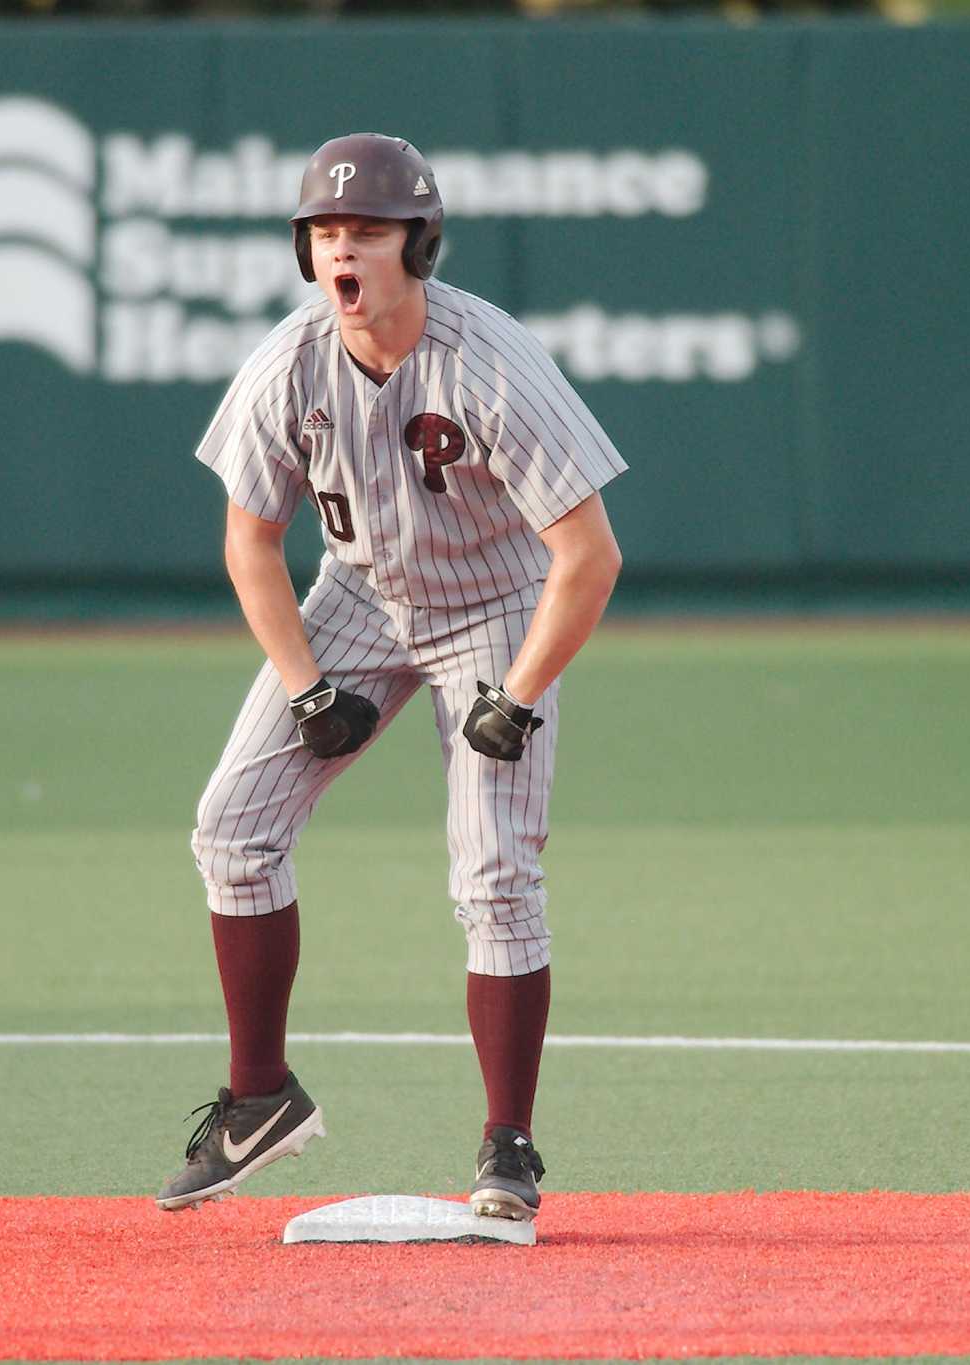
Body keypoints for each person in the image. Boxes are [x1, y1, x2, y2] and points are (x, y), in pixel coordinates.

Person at [157, 133, 626, 1222]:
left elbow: (588, 556)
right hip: (357, 597)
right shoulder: (289, 362)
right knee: (231, 829)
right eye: (323, 232)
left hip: (496, 607)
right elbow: (250, 543)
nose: (342, 251)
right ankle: (259, 1098)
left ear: (418, 245)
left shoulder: (490, 361)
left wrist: (517, 694)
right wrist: (306, 686)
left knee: (494, 873)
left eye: (367, 230)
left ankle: (507, 1144)